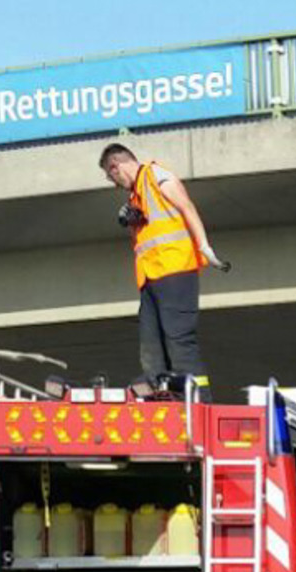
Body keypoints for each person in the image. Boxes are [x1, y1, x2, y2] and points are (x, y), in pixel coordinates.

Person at [99, 143, 225, 390]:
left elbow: (186, 206)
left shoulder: (155, 176)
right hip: (150, 276)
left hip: (175, 269)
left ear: (116, 167)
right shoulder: (135, 196)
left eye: (110, 175)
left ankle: (198, 400)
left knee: (179, 341)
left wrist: (204, 246)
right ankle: (163, 397)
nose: (113, 182)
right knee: (152, 346)